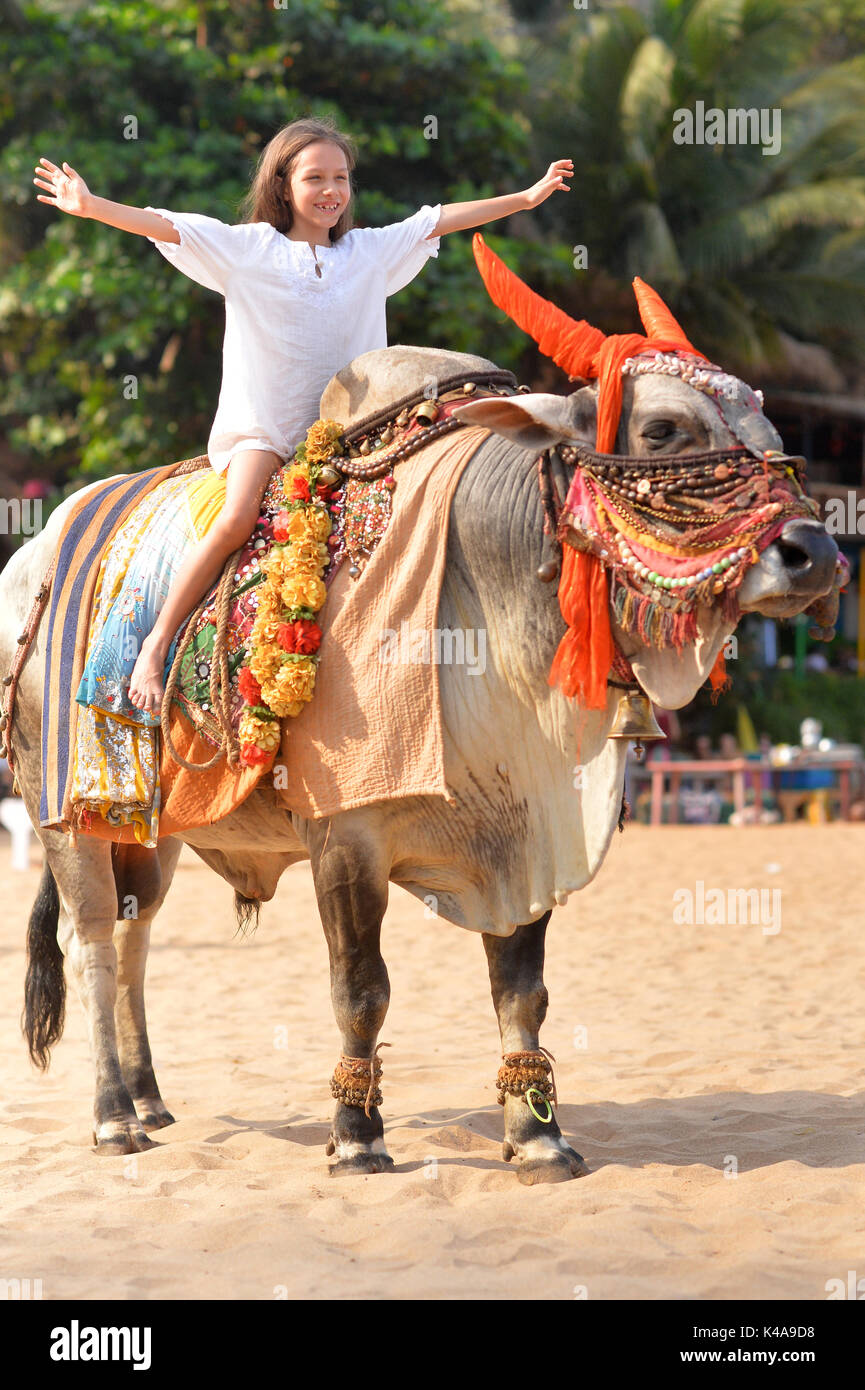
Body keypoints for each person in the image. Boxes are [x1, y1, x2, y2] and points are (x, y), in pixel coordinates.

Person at [34, 119, 572, 717]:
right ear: (283, 184)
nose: (330, 190)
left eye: (340, 178)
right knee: (237, 518)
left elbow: (439, 218)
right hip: (265, 431)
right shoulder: (248, 249)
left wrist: (527, 198)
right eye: (314, 177)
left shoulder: (366, 253)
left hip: (351, 436)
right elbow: (166, 225)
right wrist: (90, 206)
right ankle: (154, 647)